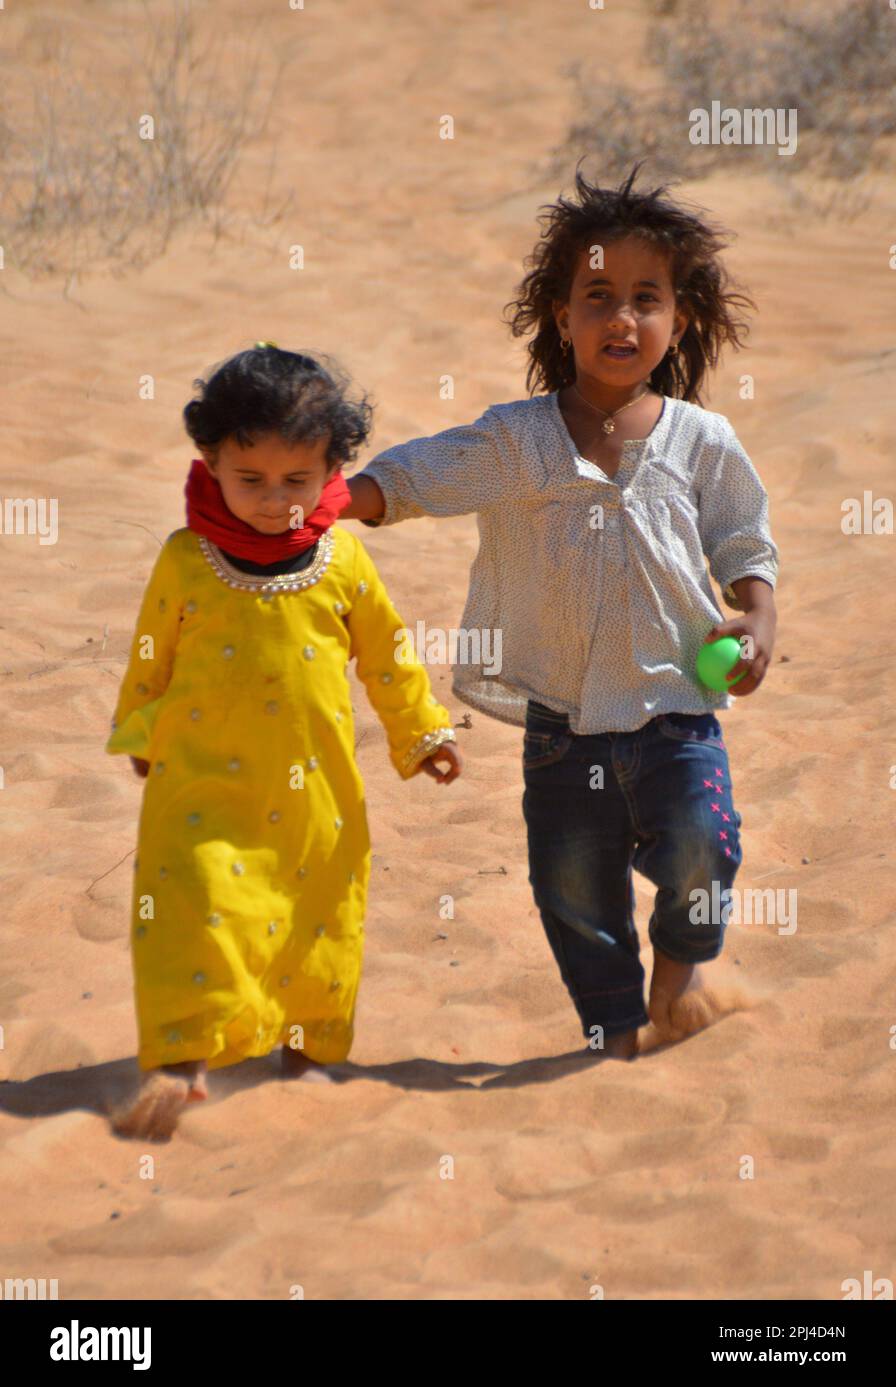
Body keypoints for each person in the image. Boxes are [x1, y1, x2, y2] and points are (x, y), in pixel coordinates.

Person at [343, 164, 779, 1061]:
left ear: (679, 318)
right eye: (597, 295)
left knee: (704, 853)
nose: (621, 318)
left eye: (644, 298)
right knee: (573, 893)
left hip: (676, 710)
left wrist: (759, 618)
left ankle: (685, 968)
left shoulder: (704, 441)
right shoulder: (517, 438)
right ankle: (616, 1040)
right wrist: (348, 499)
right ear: (561, 315)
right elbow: (427, 472)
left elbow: (745, 540)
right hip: (561, 727)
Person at [106, 344, 461, 1139]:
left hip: (315, 791)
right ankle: (182, 1061)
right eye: (251, 480)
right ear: (210, 459)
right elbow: (149, 651)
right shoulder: (185, 560)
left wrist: (422, 732)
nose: (275, 502)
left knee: (320, 915)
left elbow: (388, 654)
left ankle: (306, 1059)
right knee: (191, 910)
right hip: (198, 789)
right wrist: (141, 729)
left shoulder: (343, 558)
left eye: (297, 482)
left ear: (332, 467)